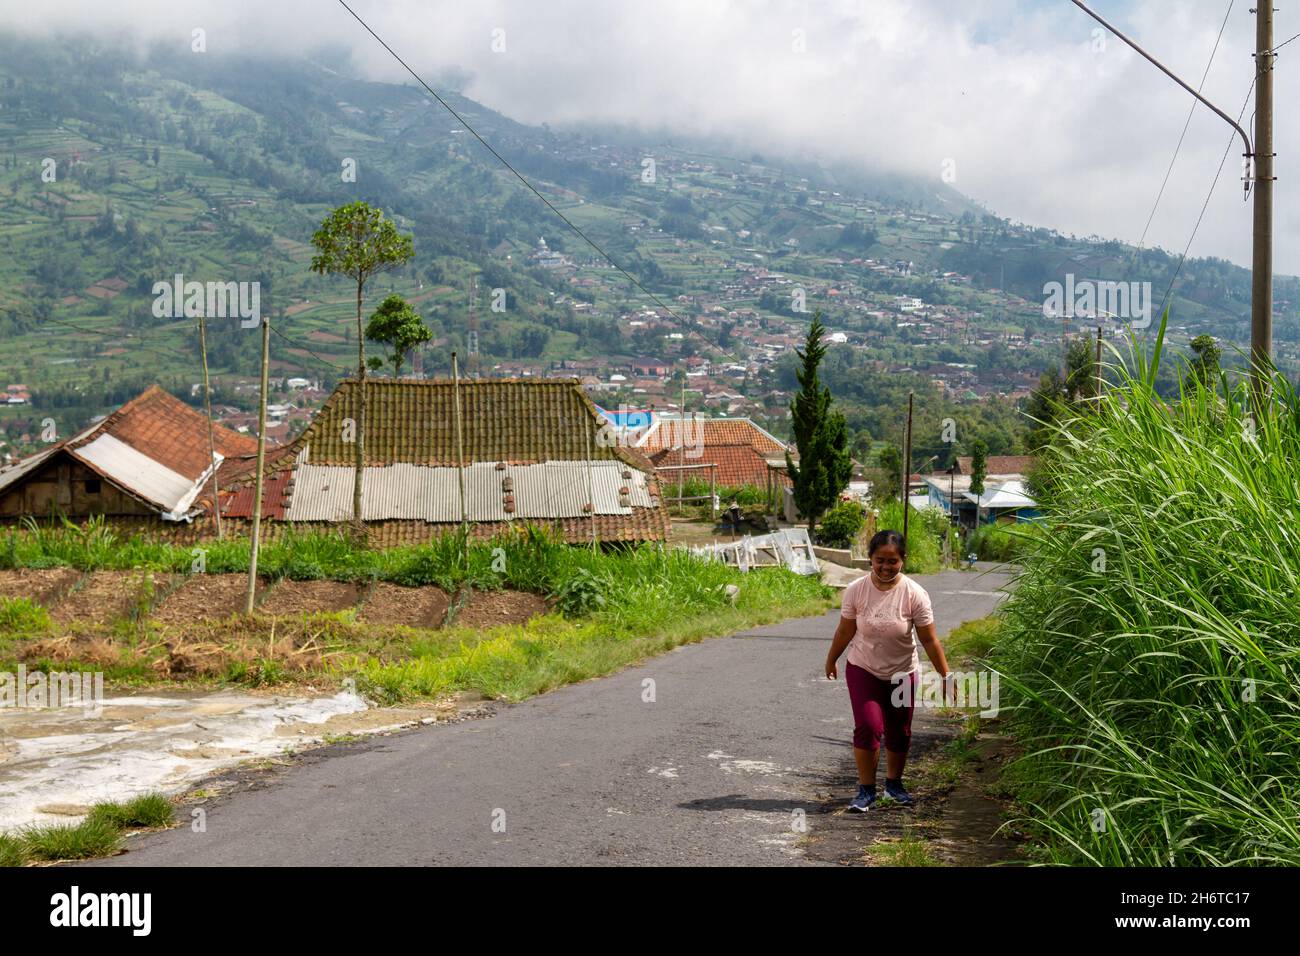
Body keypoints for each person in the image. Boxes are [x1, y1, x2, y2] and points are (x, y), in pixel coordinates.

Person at [824, 529, 953, 811]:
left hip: (902, 671)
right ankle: (866, 791)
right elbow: (846, 630)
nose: (885, 566)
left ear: (902, 560)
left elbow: (929, 639)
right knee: (869, 726)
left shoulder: (915, 594)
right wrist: (832, 658)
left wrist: (946, 675)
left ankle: (894, 786)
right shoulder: (857, 590)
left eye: (892, 561)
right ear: (870, 559)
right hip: (863, 667)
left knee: (900, 730)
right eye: (879, 560)